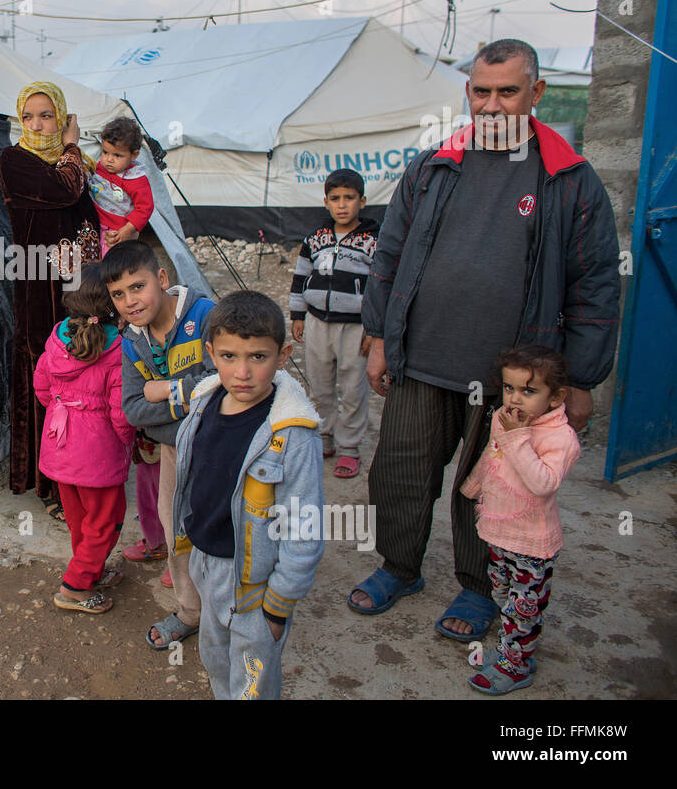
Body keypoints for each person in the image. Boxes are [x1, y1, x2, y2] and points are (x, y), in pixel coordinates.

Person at [351, 39, 620, 643]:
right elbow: (389, 254)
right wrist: (379, 339)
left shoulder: (568, 180)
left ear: (537, 93)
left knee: (494, 487)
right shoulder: (434, 166)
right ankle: (399, 566)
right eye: (481, 91)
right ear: (467, 92)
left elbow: (595, 285)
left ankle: (479, 587)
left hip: (514, 385)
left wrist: (579, 380)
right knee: (399, 469)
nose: (493, 105)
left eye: (508, 91)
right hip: (423, 358)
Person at [172, 290, 323, 700]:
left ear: (283, 354)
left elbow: (303, 527)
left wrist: (279, 603)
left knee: (253, 679)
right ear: (210, 353)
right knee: (216, 658)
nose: (242, 372)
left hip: (254, 583)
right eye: (228, 356)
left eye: (257, 357)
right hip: (206, 563)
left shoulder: (291, 434)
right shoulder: (204, 403)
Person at [100, 239, 215, 649]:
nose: (130, 301)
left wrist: (163, 389)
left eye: (138, 286)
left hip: (216, 450)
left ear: (162, 279)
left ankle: (235, 614)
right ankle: (190, 612)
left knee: (223, 530)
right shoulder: (132, 341)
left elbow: (220, 387)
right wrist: (188, 394)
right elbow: (133, 408)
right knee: (175, 528)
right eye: (118, 294)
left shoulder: (205, 317)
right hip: (172, 452)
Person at [0, 82, 103, 514]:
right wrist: (73, 148)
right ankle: (51, 482)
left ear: (60, 117)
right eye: (29, 116)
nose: (38, 124)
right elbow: (64, 189)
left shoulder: (76, 165)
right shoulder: (16, 160)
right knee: (49, 371)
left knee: (88, 367)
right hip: (39, 286)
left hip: (79, 286)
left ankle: (90, 469)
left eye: (47, 115)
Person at [459, 345, 580, 694]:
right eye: (509, 388)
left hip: (531, 546)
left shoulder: (561, 438)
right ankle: (517, 650)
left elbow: (542, 483)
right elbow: (493, 455)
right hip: (499, 533)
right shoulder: (503, 418)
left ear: (555, 397)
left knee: (521, 609)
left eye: (529, 391)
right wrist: (474, 486)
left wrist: (516, 437)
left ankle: (515, 667)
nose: (515, 399)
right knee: (502, 595)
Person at [33, 263, 136, 615]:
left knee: (79, 519)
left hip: (59, 445)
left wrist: (63, 412)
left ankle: (89, 569)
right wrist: (128, 442)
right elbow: (121, 411)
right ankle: (75, 586)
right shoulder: (117, 349)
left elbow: (42, 388)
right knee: (107, 519)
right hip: (98, 453)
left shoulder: (56, 337)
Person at [288, 167, 379, 478]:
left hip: (356, 327)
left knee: (353, 387)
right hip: (317, 323)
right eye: (336, 198)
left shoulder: (374, 240)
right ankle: (324, 438)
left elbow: (382, 285)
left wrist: (376, 327)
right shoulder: (315, 238)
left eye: (349, 198)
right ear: (325, 202)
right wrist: (298, 314)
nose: (342, 205)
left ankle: (350, 447)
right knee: (320, 384)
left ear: (362, 201)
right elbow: (300, 276)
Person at [88, 117, 155, 256]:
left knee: (110, 262)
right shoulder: (100, 167)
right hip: (94, 221)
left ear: (134, 155)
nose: (109, 159)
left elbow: (145, 208)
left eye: (117, 155)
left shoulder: (136, 179)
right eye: (105, 152)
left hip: (115, 230)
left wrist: (129, 229)